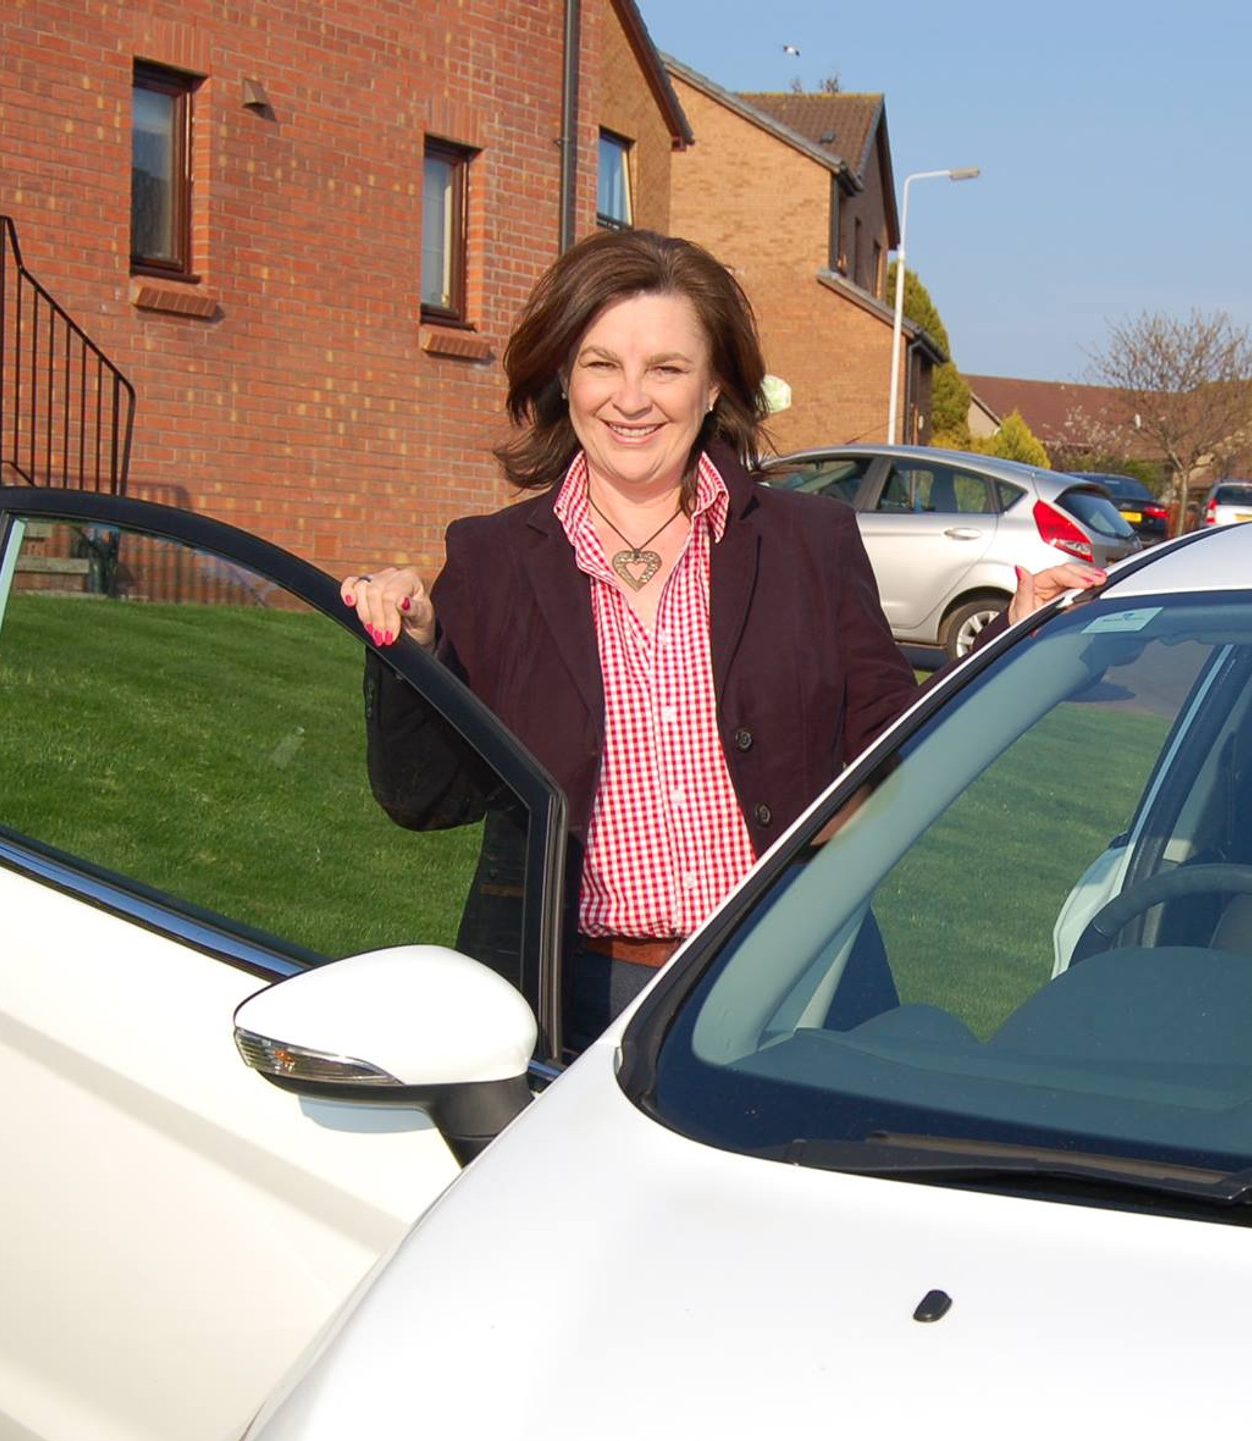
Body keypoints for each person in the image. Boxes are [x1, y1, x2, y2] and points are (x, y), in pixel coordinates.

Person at [345, 228, 1098, 1048]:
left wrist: (1005, 646)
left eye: (667, 368)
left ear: (713, 389)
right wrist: (412, 650)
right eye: (602, 364)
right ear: (564, 378)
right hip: (568, 1002)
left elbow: (890, 745)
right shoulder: (493, 561)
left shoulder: (811, 542)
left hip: (794, 983)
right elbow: (424, 797)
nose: (631, 398)